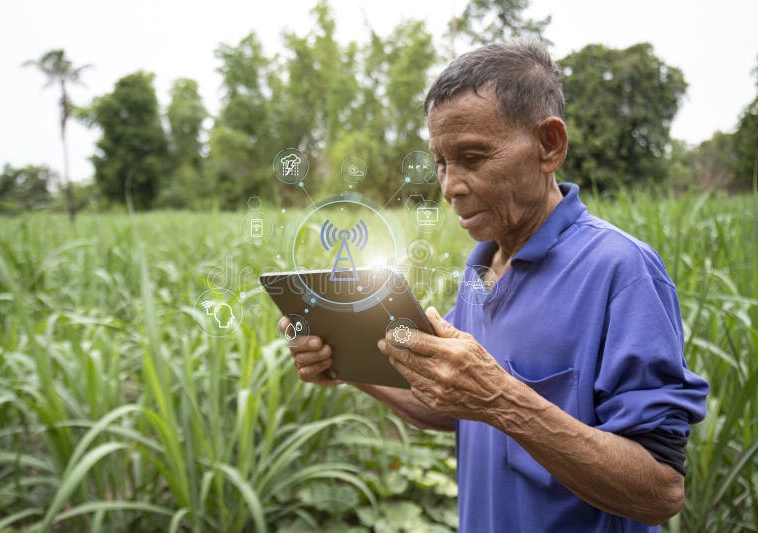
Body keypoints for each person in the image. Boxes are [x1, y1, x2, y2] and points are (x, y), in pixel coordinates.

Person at [279, 40, 708, 532]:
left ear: (549, 145)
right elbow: (456, 404)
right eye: (441, 162)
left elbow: (659, 491)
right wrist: (347, 363)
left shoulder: (621, 272)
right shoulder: (481, 269)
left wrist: (501, 399)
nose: (449, 186)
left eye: (473, 157)